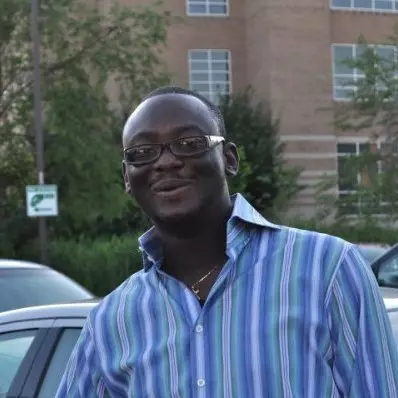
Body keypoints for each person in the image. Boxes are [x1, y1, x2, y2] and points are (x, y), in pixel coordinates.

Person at [56, 86, 398, 397]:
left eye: (189, 143)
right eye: (142, 152)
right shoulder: (111, 321)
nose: (166, 161)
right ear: (128, 178)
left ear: (229, 159)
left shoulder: (328, 269)